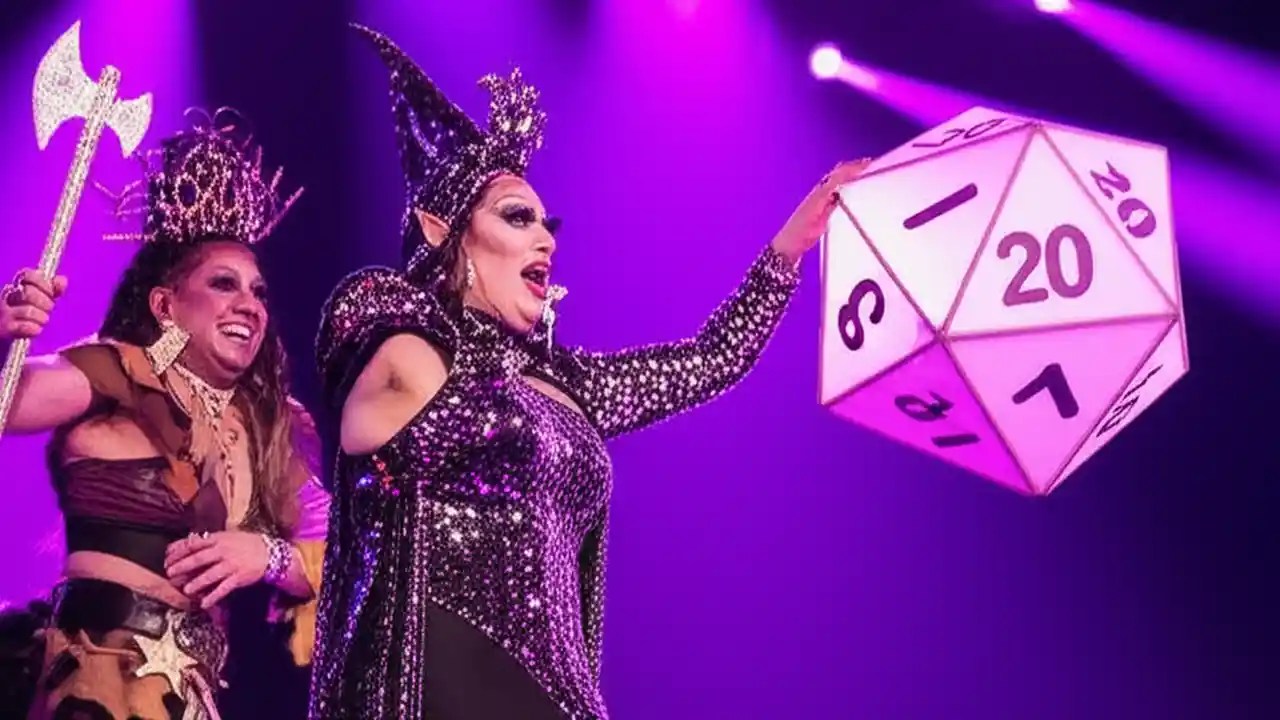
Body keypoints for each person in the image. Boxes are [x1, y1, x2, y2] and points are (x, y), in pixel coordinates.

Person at [308, 24, 869, 720]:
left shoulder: (568, 382)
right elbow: (357, 343)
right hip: (446, 683)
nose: (546, 238)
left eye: (548, 225)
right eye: (517, 217)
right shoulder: (403, 344)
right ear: (440, 230)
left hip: (562, 694)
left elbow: (710, 359)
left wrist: (791, 246)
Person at [0, 111, 329, 720]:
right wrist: (1, 335)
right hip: (96, 679)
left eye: (259, 292)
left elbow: (345, 553)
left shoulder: (268, 422)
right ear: (166, 305)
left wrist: (268, 556)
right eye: (224, 284)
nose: (249, 305)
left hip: (189, 694)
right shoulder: (115, 374)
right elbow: (6, 402)